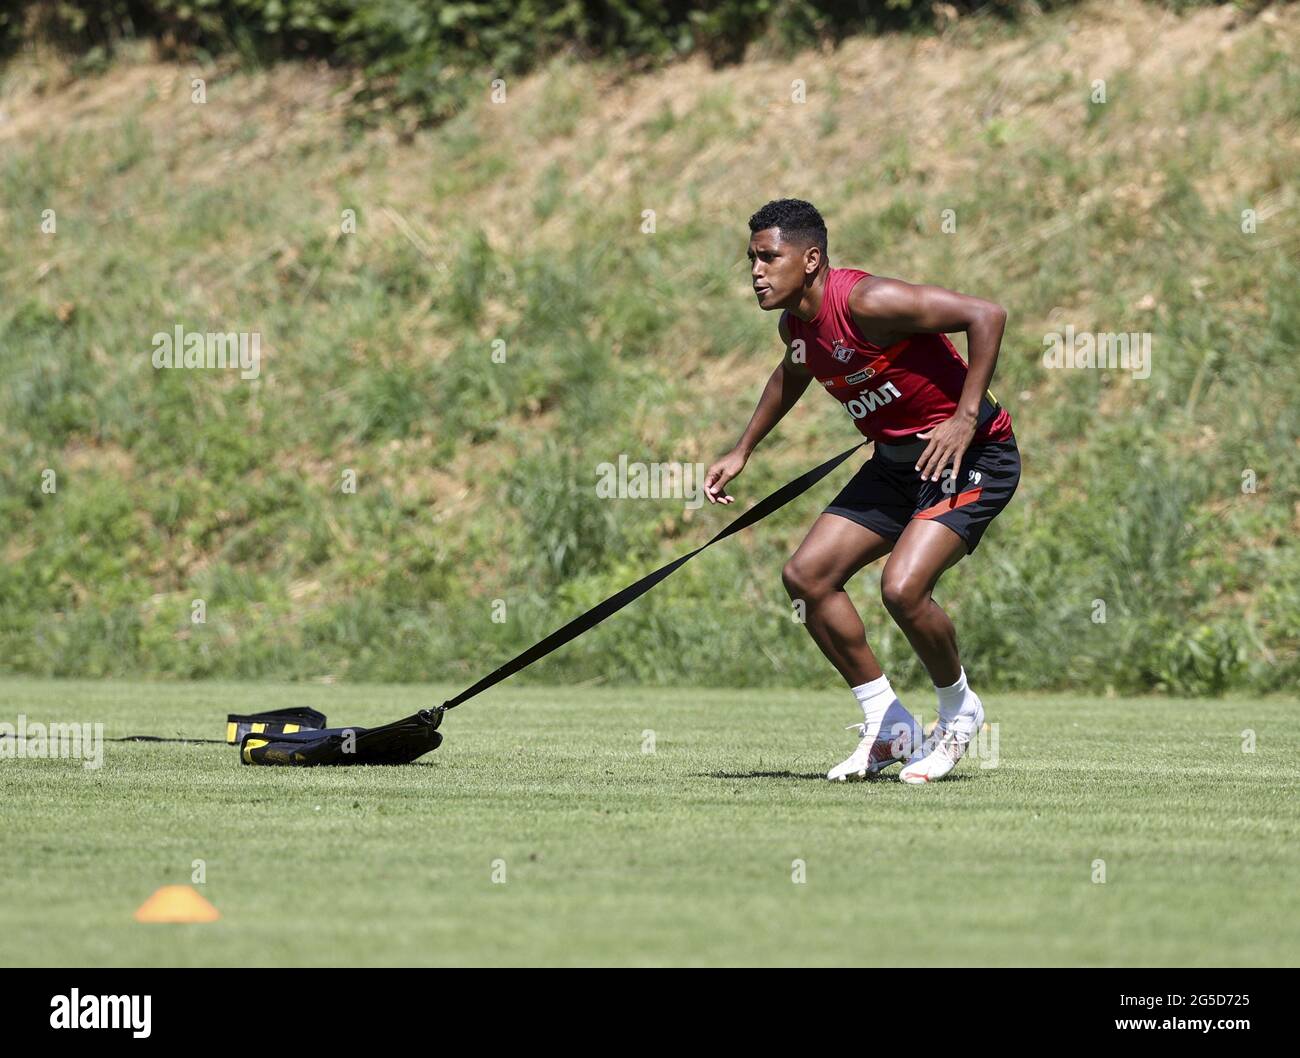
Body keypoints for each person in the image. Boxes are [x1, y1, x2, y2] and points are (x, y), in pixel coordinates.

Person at [704, 199, 1020, 783]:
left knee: (901, 589)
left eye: (769, 257)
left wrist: (964, 415)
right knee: (808, 576)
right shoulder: (795, 325)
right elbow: (793, 370)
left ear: (811, 258)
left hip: (974, 456)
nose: (756, 270)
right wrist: (743, 447)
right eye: (751, 258)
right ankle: (888, 724)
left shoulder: (868, 302)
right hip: (898, 466)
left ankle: (958, 709)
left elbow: (987, 314)